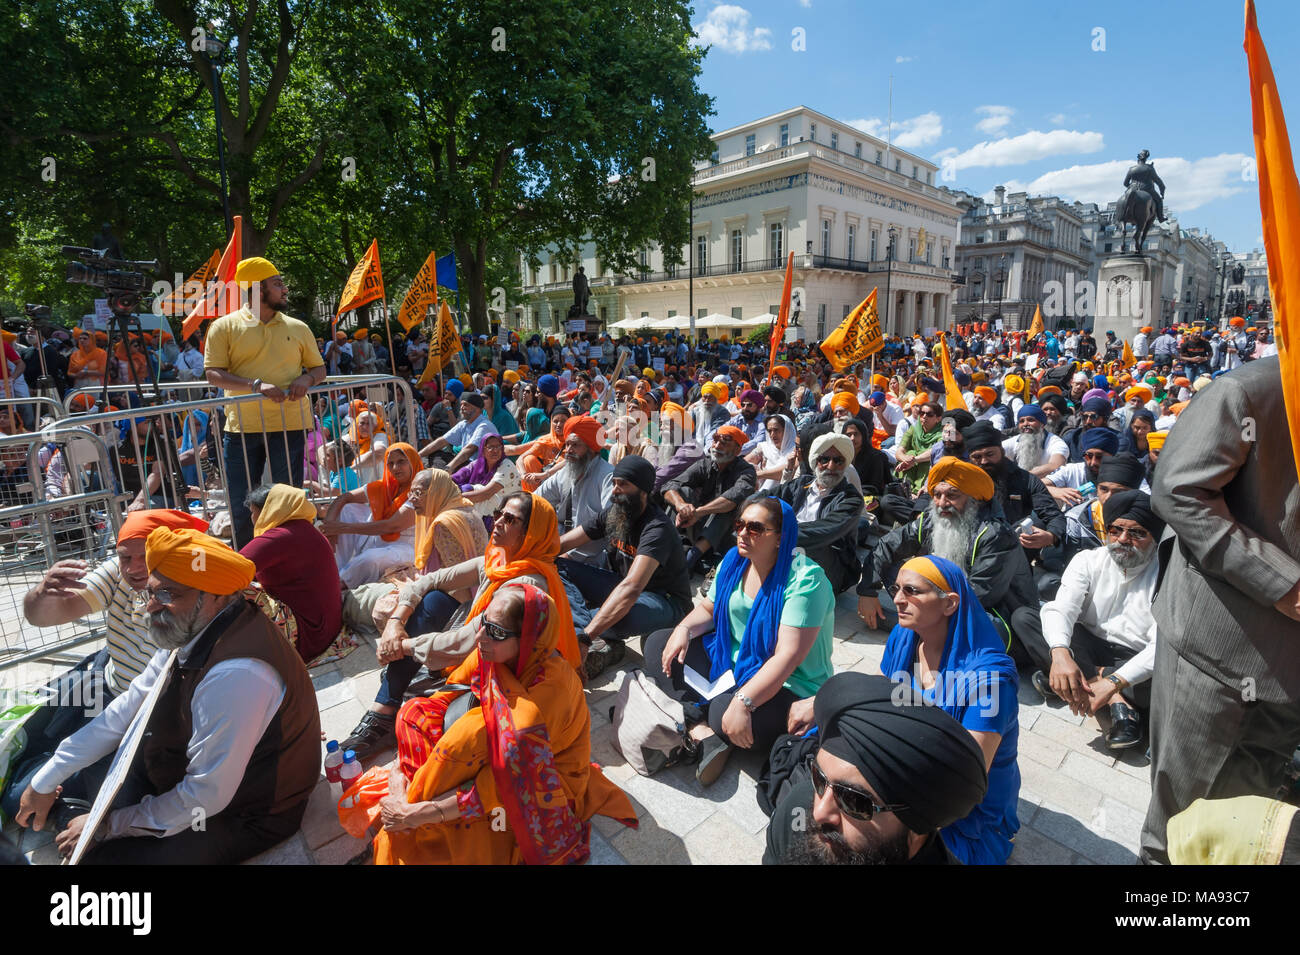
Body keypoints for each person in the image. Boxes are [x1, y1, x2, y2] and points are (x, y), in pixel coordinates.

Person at [15, 527, 320, 864]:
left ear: (215, 594)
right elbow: (127, 709)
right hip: (192, 778)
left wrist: (105, 826)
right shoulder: (195, 625)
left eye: (166, 595)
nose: (149, 607)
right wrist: (46, 780)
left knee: (97, 862)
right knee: (61, 789)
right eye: (151, 593)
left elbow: (205, 797)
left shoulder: (237, 674)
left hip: (247, 813)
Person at [1141, 357, 1300, 864]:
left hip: (1290, 681)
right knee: (1187, 827)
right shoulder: (1249, 392)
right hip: (1225, 658)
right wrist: (1281, 583)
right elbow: (1180, 490)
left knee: (1253, 825)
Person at [373, 585, 636, 864]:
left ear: (528, 640)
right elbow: (452, 689)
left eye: (496, 631)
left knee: (468, 745)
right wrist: (400, 766)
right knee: (414, 714)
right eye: (483, 622)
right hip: (504, 761)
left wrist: (415, 814)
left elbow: (503, 785)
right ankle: (421, 795)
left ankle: (417, 806)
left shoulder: (549, 693)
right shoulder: (494, 654)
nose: (480, 636)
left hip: (537, 784)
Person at [0, 509, 208, 822]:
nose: (134, 569)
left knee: (92, 802)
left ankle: (67, 801)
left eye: (146, 555)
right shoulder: (117, 573)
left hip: (146, 716)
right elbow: (45, 615)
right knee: (24, 761)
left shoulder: (194, 597)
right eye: (126, 557)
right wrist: (42, 593)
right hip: (105, 685)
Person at [344, 493, 580, 758]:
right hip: (480, 650)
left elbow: (468, 642)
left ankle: (383, 713)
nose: (498, 521)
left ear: (530, 533)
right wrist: (395, 624)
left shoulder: (525, 585)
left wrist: (401, 645)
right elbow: (430, 580)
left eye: (510, 519)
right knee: (434, 599)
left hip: (507, 672)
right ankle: (384, 709)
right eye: (500, 513)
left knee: (445, 723)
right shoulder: (497, 563)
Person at [644, 496, 835, 785]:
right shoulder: (734, 561)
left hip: (788, 684)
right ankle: (701, 730)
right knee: (659, 642)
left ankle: (696, 712)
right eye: (739, 524)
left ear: (781, 538)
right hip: (733, 665)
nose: (743, 533)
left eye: (755, 528)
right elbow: (709, 610)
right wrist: (683, 628)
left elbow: (787, 656)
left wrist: (743, 703)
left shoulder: (806, 580)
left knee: (725, 710)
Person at [763, 674, 989, 865]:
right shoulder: (796, 813)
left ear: (916, 827)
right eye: (819, 778)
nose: (819, 812)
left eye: (853, 801)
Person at [1012, 490, 1162, 751]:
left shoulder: (1166, 576)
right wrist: (1060, 654)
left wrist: (1113, 681)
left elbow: (1160, 647)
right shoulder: (1089, 560)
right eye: (1115, 530)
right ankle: (1119, 704)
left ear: (1154, 537)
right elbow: (1062, 609)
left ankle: (1073, 683)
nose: (1123, 539)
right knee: (1028, 618)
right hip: (1087, 645)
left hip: (1134, 660)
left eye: (1137, 533)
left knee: (1167, 678)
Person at [203, 257, 327, 549]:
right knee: (241, 502)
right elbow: (213, 374)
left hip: (290, 426)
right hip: (241, 428)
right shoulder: (224, 327)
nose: (284, 289)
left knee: (288, 500)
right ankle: (248, 566)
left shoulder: (299, 327)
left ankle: (291, 555)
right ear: (257, 289)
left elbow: (318, 370)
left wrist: (306, 381)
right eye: (277, 283)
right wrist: (256, 386)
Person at [857, 457, 1036, 648]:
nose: (942, 503)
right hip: (941, 597)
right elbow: (886, 545)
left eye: (953, 495)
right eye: (937, 494)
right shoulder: (932, 519)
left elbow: (981, 594)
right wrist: (868, 591)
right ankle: (915, 624)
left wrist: (925, 602)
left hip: (989, 611)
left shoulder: (996, 535)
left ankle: (911, 625)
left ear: (973, 500)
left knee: (984, 627)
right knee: (896, 567)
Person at [558, 455, 693, 680]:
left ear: (642, 490)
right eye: (614, 483)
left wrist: (586, 636)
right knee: (557, 564)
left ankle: (584, 636)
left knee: (621, 615)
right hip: (621, 586)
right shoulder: (615, 513)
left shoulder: (656, 528)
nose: (614, 491)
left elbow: (631, 588)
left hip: (664, 601)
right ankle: (583, 631)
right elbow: (563, 544)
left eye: (623, 485)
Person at [240, 483, 343, 662]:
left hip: (308, 637)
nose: (252, 518)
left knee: (234, 587)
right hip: (326, 631)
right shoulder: (303, 529)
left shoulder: (280, 536)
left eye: (253, 512)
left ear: (267, 512)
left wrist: (196, 560)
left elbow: (232, 566)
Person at [774, 433, 864, 594]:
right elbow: (766, 498)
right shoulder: (801, 484)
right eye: (825, 459)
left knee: (809, 545)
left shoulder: (851, 498)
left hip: (830, 565)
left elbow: (823, 531)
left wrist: (776, 536)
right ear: (815, 462)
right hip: (787, 547)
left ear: (845, 465)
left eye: (838, 461)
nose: (831, 466)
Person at [321, 443, 421, 588]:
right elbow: (342, 498)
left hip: (404, 548)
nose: (395, 468)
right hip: (375, 540)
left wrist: (341, 528)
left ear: (412, 462)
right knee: (346, 508)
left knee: (369, 559)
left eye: (401, 462)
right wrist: (330, 531)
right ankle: (334, 569)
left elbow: (390, 526)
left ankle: (337, 584)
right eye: (391, 463)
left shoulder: (420, 492)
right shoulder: (384, 486)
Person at [662, 425, 757, 574]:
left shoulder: (746, 471)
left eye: (725, 442)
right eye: (715, 441)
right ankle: (664, 545)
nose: (717, 446)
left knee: (729, 508)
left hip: (725, 536)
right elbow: (670, 485)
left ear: (737, 450)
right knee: (682, 492)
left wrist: (698, 512)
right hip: (696, 525)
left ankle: (689, 560)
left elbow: (733, 497)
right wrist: (681, 506)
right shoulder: (705, 464)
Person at [536, 414, 613, 567]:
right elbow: (536, 499)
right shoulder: (566, 471)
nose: (568, 450)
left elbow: (607, 526)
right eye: (567, 444)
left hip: (593, 560)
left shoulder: (608, 476)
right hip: (558, 549)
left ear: (591, 449)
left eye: (575, 445)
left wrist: (567, 553)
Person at [409, 467, 488, 575]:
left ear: (436, 492)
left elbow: (456, 579)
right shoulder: (465, 506)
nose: (411, 499)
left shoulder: (443, 525)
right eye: (411, 493)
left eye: (418, 493)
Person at [417, 392, 497, 472]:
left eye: (466, 405)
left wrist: (448, 468)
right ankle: (439, 475)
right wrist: (417, 455)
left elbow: (469, 450)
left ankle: (441, 477)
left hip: (478, 467)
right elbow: (442, 441)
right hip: (466, 463)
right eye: (461, 404)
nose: (462, 407)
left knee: (441, 468)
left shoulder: (484, 425)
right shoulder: (465, 423)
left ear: (477, 408)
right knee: (435, 454)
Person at [893, 400, 945, 493]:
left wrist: (914, 460)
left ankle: (918, 491)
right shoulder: (914, 429)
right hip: (910, 464)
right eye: (922, 413)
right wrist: (906, 460)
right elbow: (899, 451)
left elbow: (934, 452)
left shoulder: (942, 434)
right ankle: (904, 490)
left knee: (927, 462)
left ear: (938, 418)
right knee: (909, 453)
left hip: (928, 472)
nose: (924, 416)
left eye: (929, 414)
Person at [1003, 405, 1068, 477]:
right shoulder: (1014, 441)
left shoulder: (1056, 443)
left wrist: (1022, 478)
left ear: (1042, 424)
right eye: (1022, 421)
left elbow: (1055, 465)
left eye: (1030, 420)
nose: (1025, 424)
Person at [747, 413, 796, 492]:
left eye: (776, 430)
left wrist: (758, 474)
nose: (772, 434)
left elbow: (785, 471)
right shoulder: (765, 447)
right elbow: (745, 462)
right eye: (769, 431)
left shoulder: (795, 451)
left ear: (787, 430)